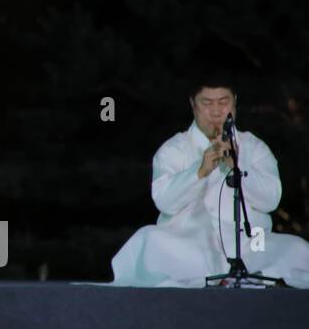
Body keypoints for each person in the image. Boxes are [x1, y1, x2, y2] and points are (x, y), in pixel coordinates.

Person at [111, 78, 309, 288]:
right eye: (207, 103)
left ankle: (241, 275)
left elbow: (271, 201)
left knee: (296, 248)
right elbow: (165, 203)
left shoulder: (254, 147)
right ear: (193, 105)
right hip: (193, 244)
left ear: (234, 102)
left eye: (223, 102)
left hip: (251, 245)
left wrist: (238, 167)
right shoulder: (174, 149)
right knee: (150, 239)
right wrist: (200, 171)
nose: (216, 111)